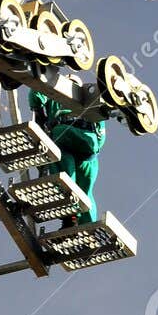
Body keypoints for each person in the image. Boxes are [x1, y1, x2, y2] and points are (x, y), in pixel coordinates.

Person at [30, 90, 106, 224]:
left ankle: (70, 217)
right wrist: (94, 147)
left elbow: (37, 92)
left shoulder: (56, 93)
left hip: (65, 136)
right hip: (88, 151)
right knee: (85, 193)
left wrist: (39, 115)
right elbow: (100, 132)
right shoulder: (90, 100)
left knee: (64, 174)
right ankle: (84, 226)